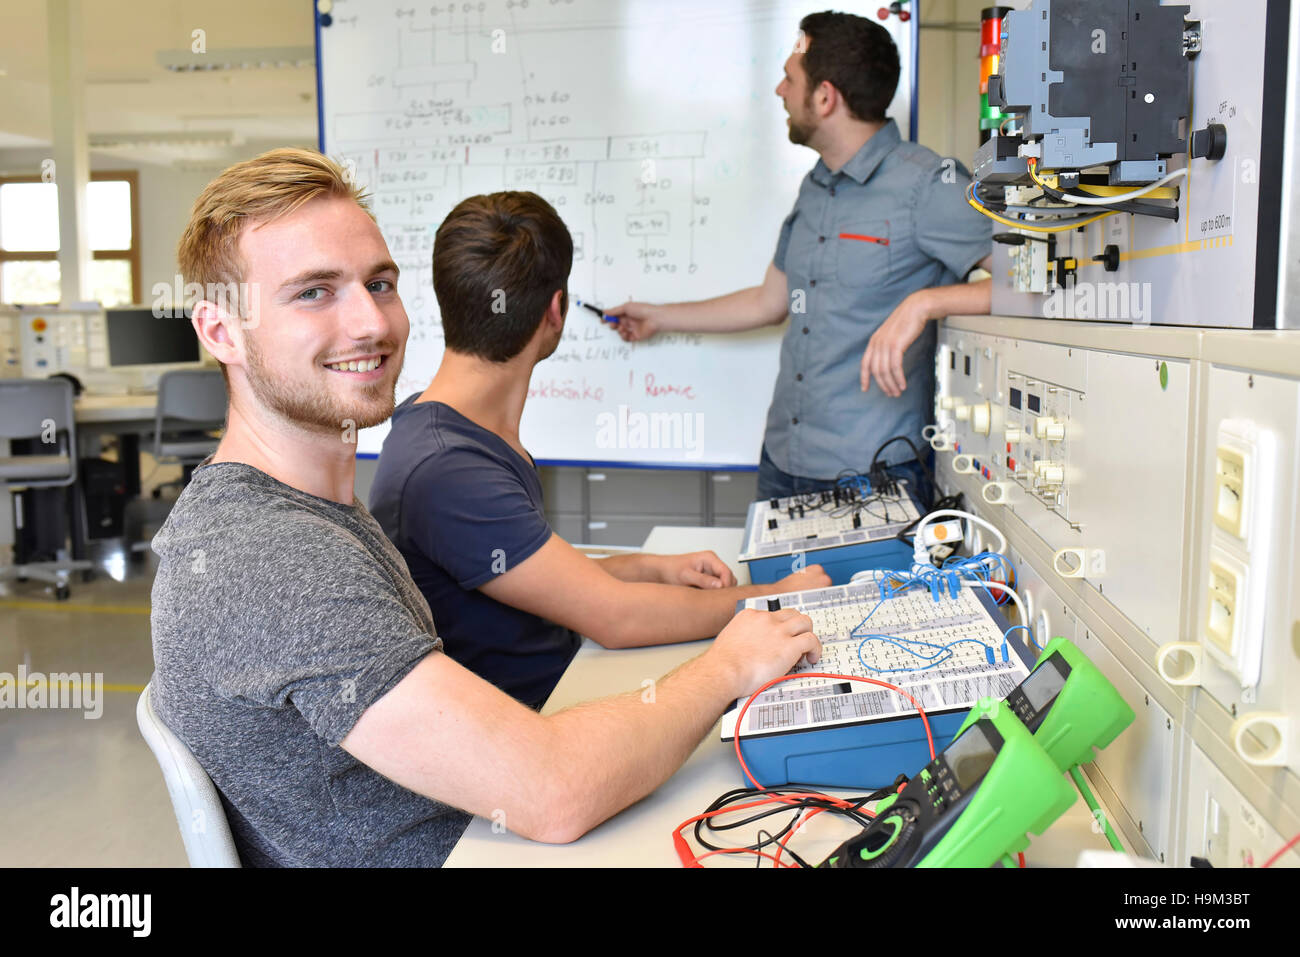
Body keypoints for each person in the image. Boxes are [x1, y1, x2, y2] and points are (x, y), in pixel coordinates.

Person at [149, 148, 822, 867]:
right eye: (314, 292)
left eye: (379, 284)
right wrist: (730, 666)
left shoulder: (307, 513)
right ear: (219, 331)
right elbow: (554, 788)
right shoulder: (272, 557)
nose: (370, 323)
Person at [368, 192, 830, 709]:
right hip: (540, 722)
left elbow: (535, 576)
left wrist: (650, 567)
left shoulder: (445, 426)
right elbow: (616, 617)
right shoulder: (448, 469)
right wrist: (777, 596)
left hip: (566, 682)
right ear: (556, 310)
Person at [609, 11, 993, 501]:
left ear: (825, 97)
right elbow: (769, 302)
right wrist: (658, 317)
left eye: (790, 79)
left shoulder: (928, 185)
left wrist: (925, 304)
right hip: (783, 462)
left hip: (873, 476)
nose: (779, 91)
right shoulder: (816, 186)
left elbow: (1030, 288)